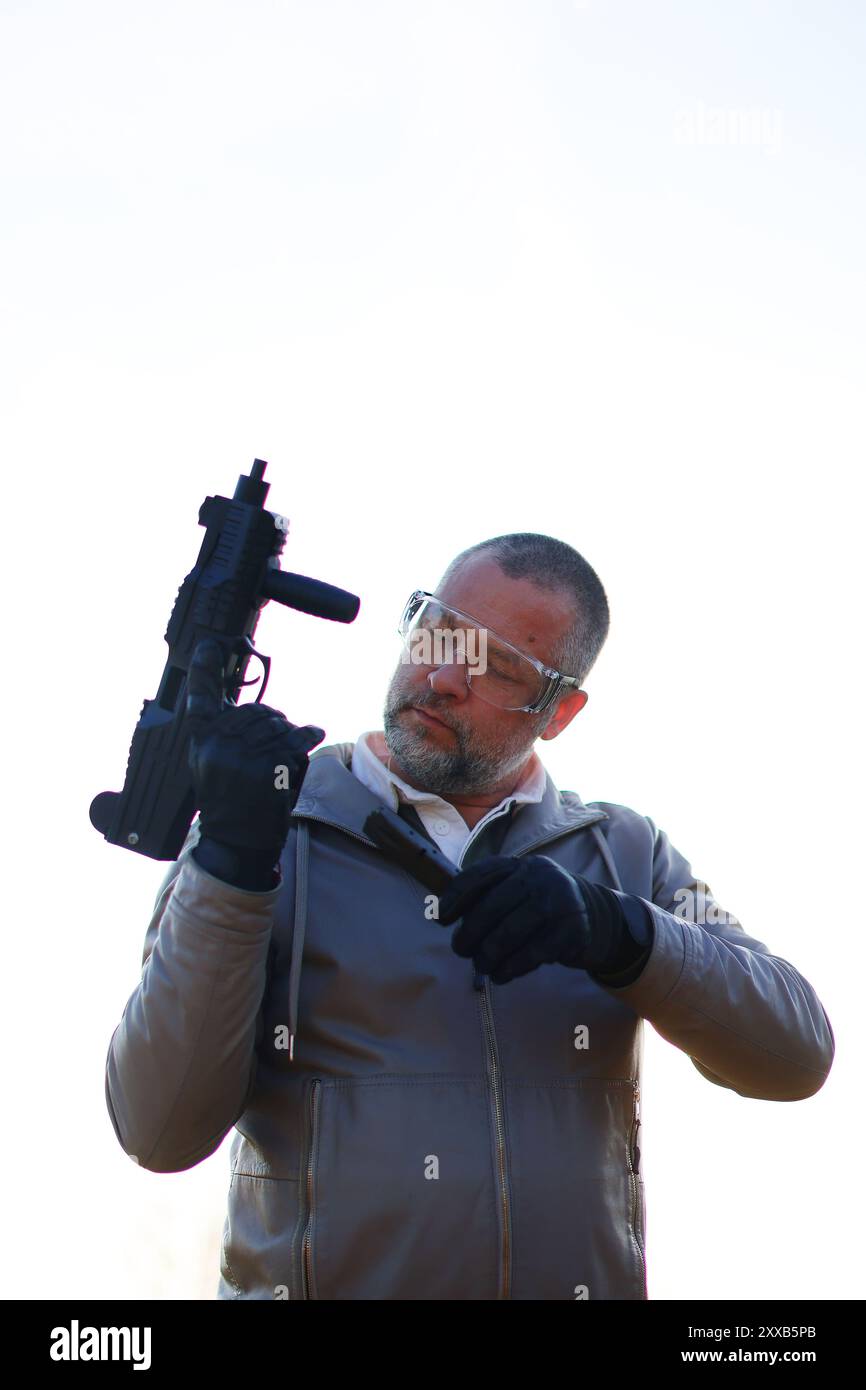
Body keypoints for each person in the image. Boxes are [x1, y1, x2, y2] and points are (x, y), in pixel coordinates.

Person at [104, 533, 835, 1300]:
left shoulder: (625, 851)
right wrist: (230, 865)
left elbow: (797, 1054)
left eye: (500, 668)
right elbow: (158, 1131)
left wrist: (624, 935)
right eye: (437, 632)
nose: (446, 675)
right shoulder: (261, 822)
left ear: (560, 713)